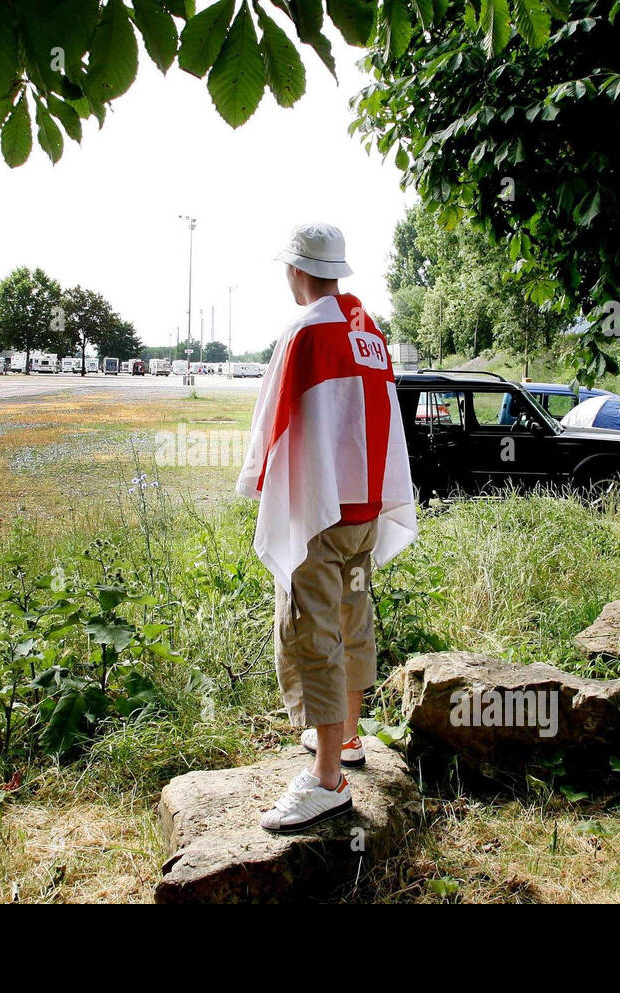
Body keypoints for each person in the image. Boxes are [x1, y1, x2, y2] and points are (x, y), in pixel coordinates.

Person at [237, 222, 419, 833]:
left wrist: (257, 483)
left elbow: (274, 419)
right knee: (352, 615)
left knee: (310, 629)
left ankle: (326, 783)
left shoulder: (305, 329)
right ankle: (345, 742)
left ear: (297, 270)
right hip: (365, 511)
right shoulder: (369, 332)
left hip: (321, 513)